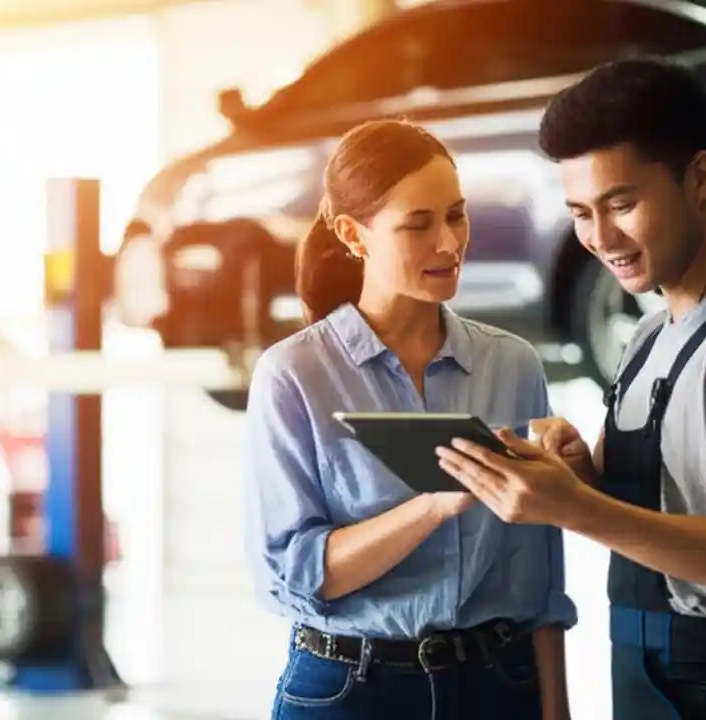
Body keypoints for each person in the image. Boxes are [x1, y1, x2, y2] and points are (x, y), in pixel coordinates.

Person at [436, 57, 706, 720]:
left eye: (622, 204)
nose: (600, 239)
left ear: (701, 178)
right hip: (644, 670)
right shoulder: (652, 334)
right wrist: (579, 476)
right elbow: (655, 514)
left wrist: (574, 508)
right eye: (580, 213)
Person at [243, 118, 576, 720]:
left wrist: (556, 711)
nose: (449, 243)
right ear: (353, 233)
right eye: (418, 225)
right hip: (349, 691)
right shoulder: (295, 375)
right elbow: (294, 575)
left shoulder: (512, 365)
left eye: (457, 214)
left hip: (497, 686)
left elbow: (540, 582)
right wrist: (436, 504)